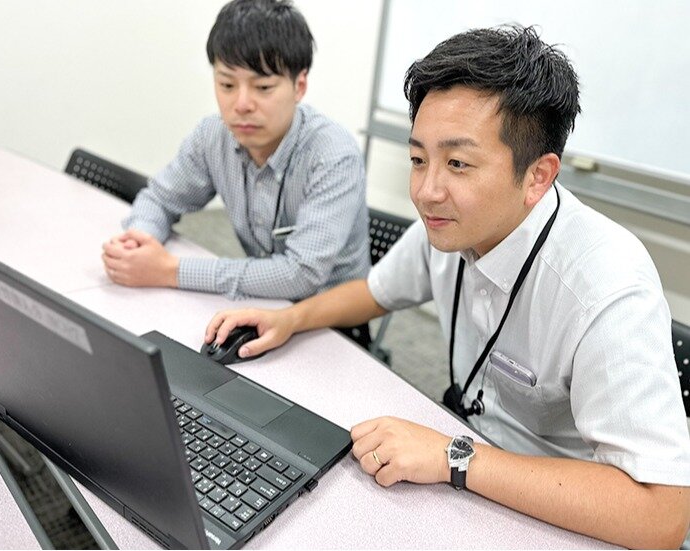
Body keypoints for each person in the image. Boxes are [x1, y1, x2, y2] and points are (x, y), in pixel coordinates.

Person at [202, 26, 690, 548]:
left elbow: (662, 515)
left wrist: (453, 456)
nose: (427, 191)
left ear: (537, 177)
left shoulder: (605, 287)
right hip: (475, 477)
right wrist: (290, 319)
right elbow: (376, 293)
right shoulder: (450, 224)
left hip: (568, 517)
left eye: (458, 163)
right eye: (418, 159)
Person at [101, 0, 369, 305]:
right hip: (258, 302)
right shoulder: (214, 136)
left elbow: (301, 274)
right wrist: (139, 241)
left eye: (263, 88)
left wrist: (170, 271)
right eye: (227, 85)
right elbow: (159, 199)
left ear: (299, 86)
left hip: (328, 318)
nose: (241, 105)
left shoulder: (333, 155)